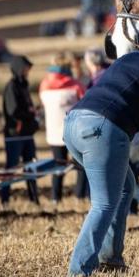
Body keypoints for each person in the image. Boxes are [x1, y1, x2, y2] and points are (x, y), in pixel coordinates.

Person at [64, 49, 139, 277]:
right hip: (103, 129)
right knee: (103, 204)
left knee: (125, 188)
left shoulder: (131, 57)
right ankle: (79, 271)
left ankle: (111, 258)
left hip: (73, 123)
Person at [39, 51, 87, 204]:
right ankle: (79, 196)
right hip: (74, 131)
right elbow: (85, 103)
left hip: (53, 133)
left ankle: (55, 197)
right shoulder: (75, 84)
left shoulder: (44, 85)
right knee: (80, 164)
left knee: (58, 166)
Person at [0, 55, 40, 208]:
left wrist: (32, 112)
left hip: (27, 134)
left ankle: (34, 199)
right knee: (11, 167)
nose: (27, 71)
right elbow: (13, 111)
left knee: (31, 167)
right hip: (14, 135)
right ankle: (4, 200)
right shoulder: (11, 87)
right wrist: (30, 112)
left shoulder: (23, 85)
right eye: (25, 68)